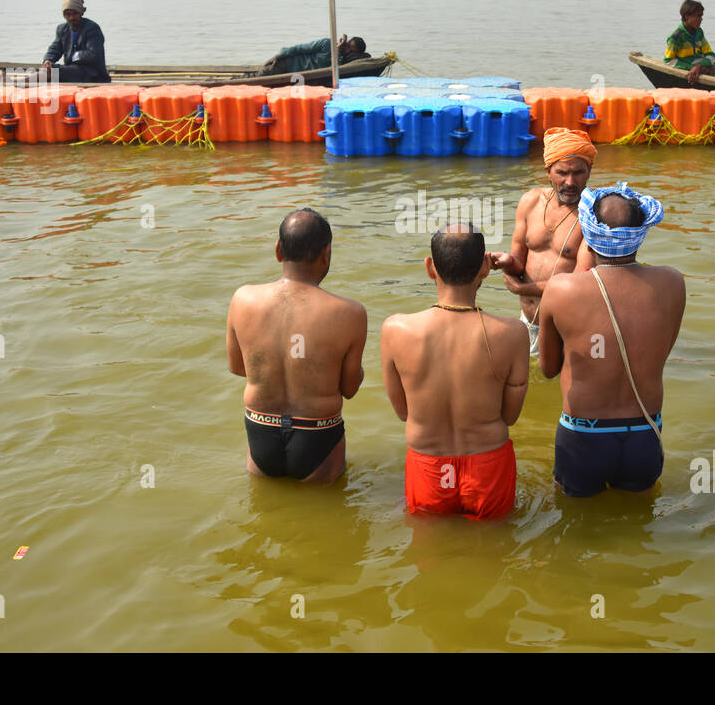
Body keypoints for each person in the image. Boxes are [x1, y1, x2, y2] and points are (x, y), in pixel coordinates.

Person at [538, 184, 686, 497]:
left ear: (589, 236)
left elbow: (548, 369)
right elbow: (662, 350)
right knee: (639, 526)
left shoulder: (561, 289)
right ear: (641, 233)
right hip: (644, 429)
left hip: (583, 434)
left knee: (574, 525)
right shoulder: (672, 282)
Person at [382, 224, 530, 520]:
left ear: (430, 267)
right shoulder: (513, 333)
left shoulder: (395, 329)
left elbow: (403, 413)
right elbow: (510, 417)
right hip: (488, 465)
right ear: (485, 269)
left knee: (429, 554)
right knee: (495, 553)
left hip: (428, 465)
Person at [226, 209, 367, 484]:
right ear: (326, 253)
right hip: (318, 433)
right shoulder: (350, 312)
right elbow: (349, 389)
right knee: (325, 519)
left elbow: (237, 367)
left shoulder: (242, 299)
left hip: (260, 429)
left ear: (278, 250)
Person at [490, 128, 597, 356]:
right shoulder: (530, 201)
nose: (570, 181)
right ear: (548, 172)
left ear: (589, 171)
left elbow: (578, 285)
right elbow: (519, 261)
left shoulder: (593, 214)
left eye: (578, 172)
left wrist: (522, 288)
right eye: (562, 173)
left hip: (566, 326)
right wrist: (507, 262)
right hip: (528, 321)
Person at [40, 0, 109, 83]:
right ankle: (21, 84)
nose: (71, 18)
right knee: (47, 70)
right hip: (71, 71)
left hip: (92, 74)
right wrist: (48, 60)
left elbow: (93, 54)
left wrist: (73, 56)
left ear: (81, 13)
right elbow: (55, 48)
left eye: (75, 14)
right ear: (64, 15)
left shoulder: (92, 28)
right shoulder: (62, 29)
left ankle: (20, 84)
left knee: (53, 71)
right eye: (68, 14)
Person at [259, 35, 367, 76]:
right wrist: (278, 56)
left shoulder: (341, 60)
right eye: (348, 46)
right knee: (261, 75)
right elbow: (299, 48)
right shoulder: (327, 43)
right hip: (287, 64)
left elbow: (333, 72)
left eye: (351, 51)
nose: (347, 51)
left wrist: (337, 52)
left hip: (295, 74)